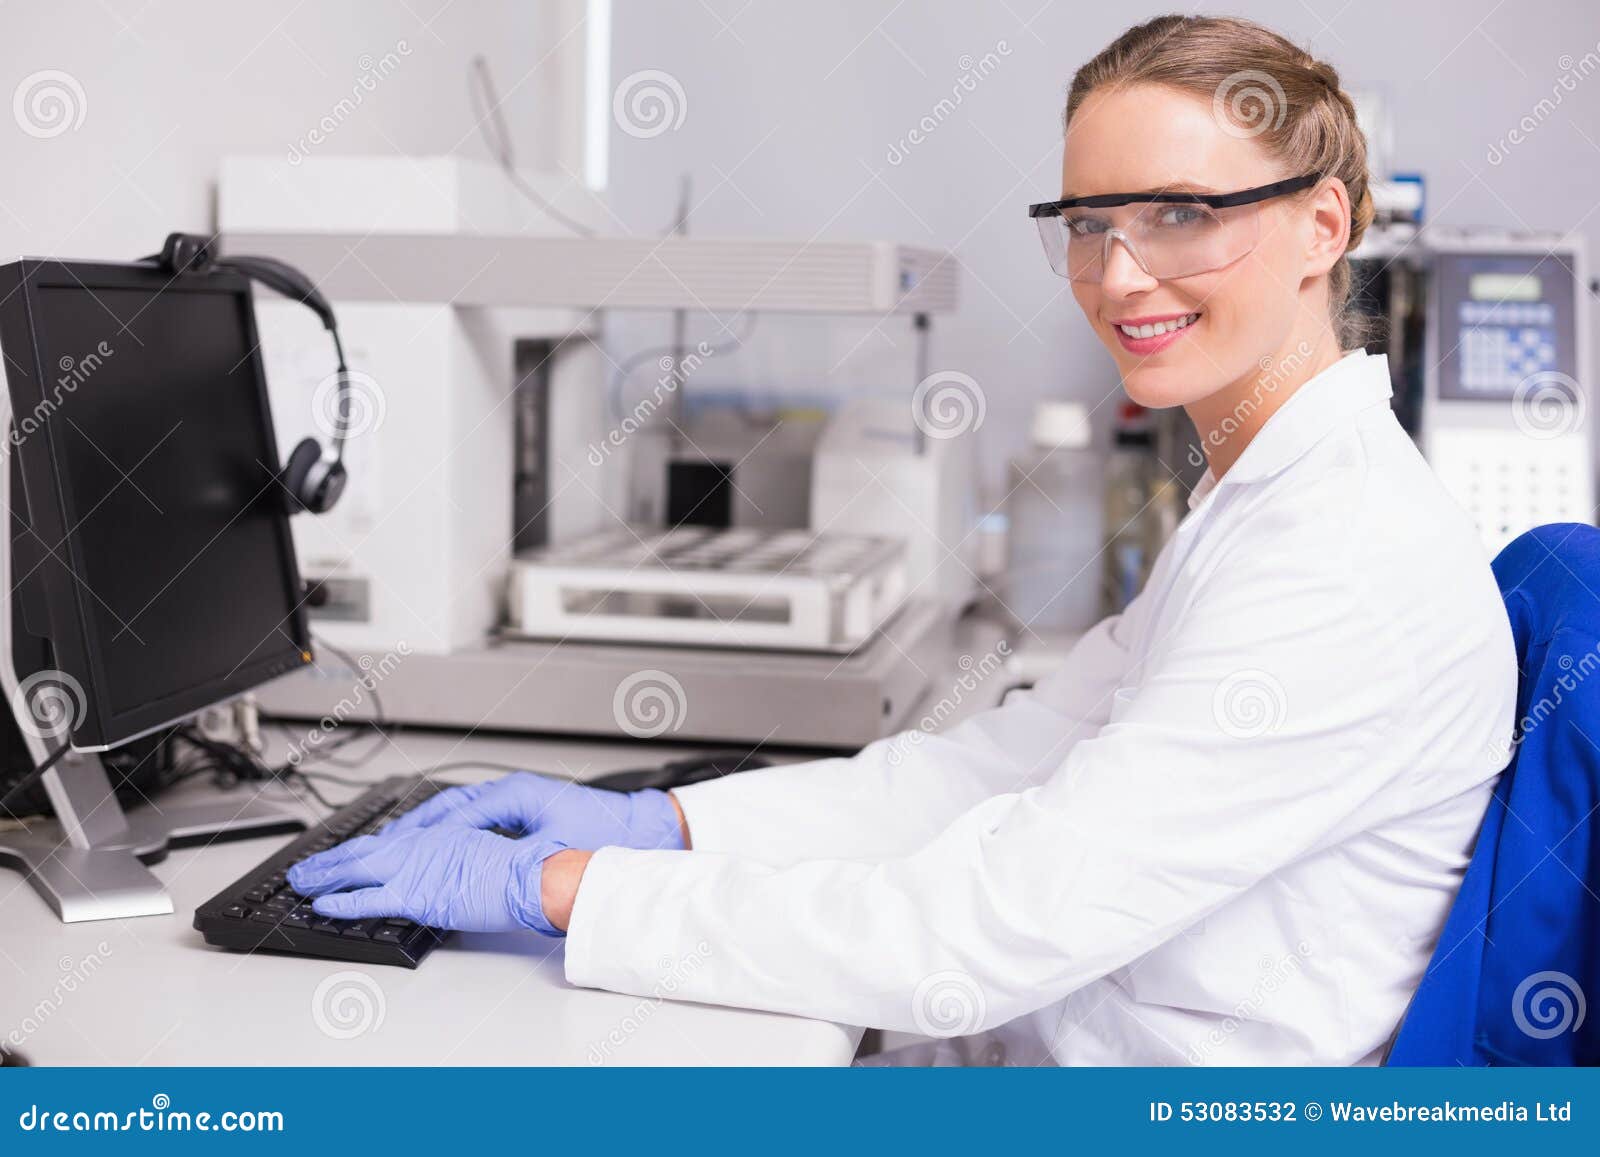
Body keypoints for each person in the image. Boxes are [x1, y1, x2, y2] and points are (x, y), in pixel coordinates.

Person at [288, 14, 1516, 1066]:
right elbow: (998, 768)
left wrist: (550, 889)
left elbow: (982, 929)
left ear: (1320, 227)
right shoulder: (1261, 502)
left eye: (1182, 214)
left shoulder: (1338, 565)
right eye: (1088, 223)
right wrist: (659, 826)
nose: (1120, 274)